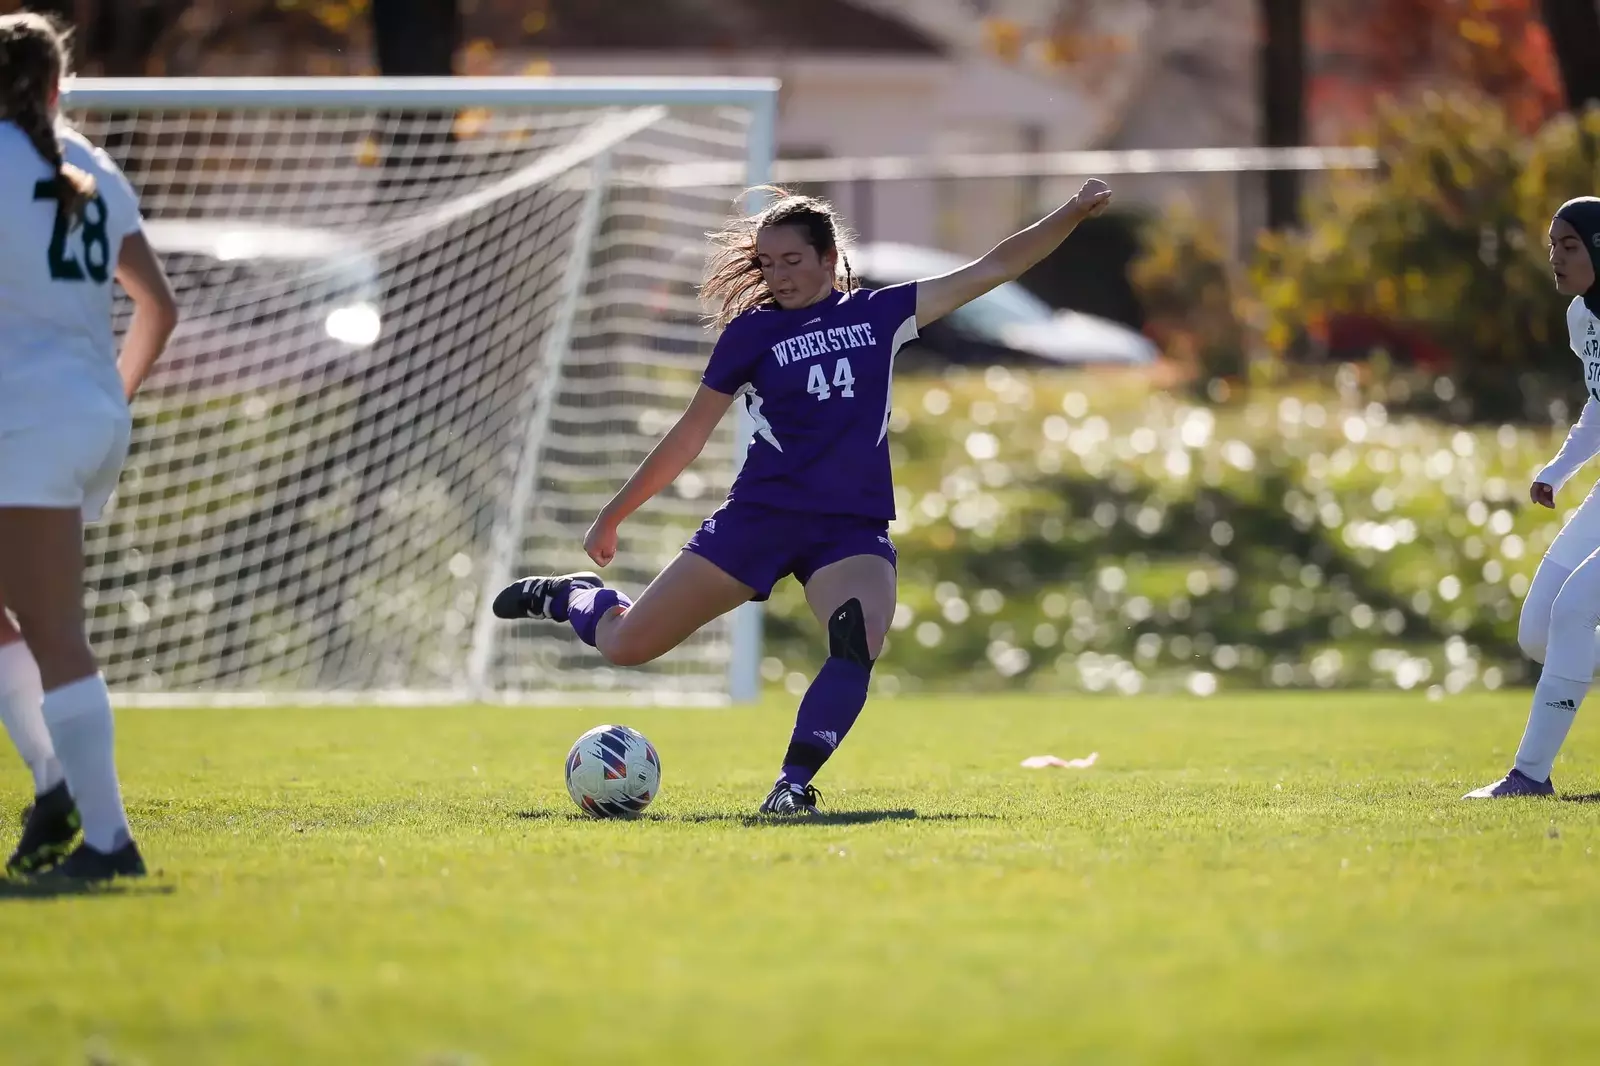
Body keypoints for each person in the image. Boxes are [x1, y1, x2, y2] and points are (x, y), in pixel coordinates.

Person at [494, 178, 1112, 815]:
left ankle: (792, 786)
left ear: (828, 257)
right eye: (768, 263)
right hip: (760, 519)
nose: (779, 275)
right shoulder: (750, 336)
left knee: (857, 637)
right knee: (626, 647)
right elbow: (688, 436)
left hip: (848, 529)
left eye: (793, 260)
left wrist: (1073, 210)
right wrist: (615, 512)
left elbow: (996, 266)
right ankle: (568, 595)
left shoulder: (880, 314)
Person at [0, 13, 179, 876]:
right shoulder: (93, 165)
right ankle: (55, 784)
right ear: (57, 86)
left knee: (55, 633)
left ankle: (108, 841)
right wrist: (105, 399)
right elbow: (160, 306)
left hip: (27, 423)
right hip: (78, 417)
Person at [1466, 196, 1600, 799]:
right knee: (1539, 631)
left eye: (1570, 246)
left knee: (1574, 613)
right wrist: (1559, 469)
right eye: (1553, 246)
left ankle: (1528, 777)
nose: (1557, 257)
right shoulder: (1582, 318)